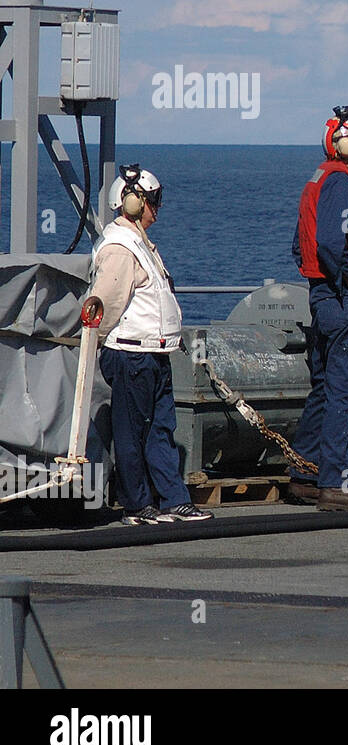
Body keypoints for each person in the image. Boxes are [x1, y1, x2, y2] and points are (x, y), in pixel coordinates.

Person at [83, 164, 213, 525]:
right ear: (132, 202)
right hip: (130, 355)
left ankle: (173, 500)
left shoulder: (140, 244)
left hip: (153, 354)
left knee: (160, 430)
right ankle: (138, 504)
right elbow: (103, 305)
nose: (157, 208)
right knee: (132, 432)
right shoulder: (121, 249)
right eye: (152, 201)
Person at [290, 107, 348, 511]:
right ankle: (336, 484)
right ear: (347, 143)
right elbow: (331, 243)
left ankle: (306, 474)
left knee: (326, 389)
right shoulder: (341, 183)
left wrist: (325, 285)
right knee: (346, 393)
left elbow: (300, 246)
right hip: (346, 302)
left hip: (324, 297)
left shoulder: (319, 179)